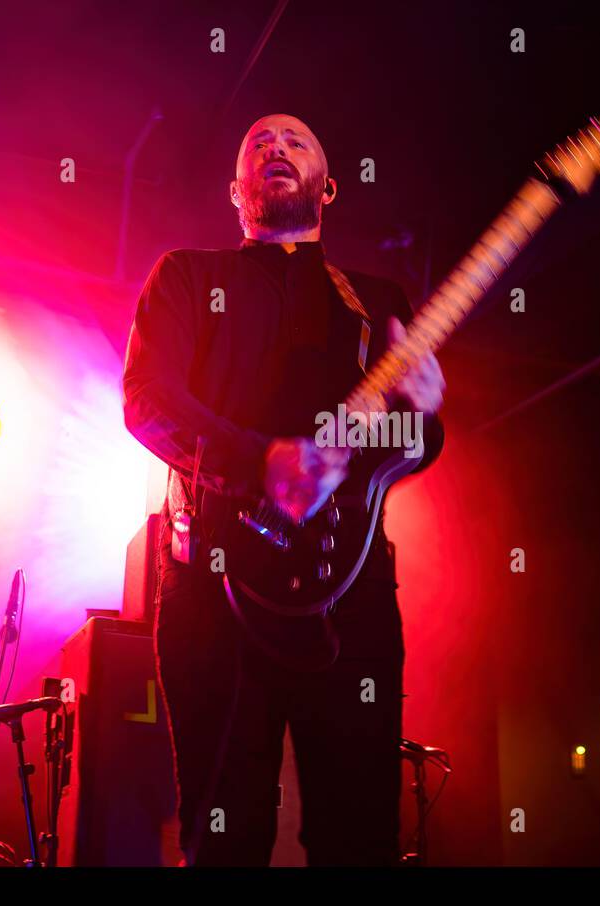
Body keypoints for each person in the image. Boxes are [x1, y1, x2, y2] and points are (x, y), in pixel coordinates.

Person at [122, 113, 444, 866]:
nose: (275, 147)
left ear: (328, 187)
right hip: (214, 586)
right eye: (258, 144)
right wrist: (257, 460)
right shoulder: (186, 276)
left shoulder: (376, 298)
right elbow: (146, 400)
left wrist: (424, 414)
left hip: (352, 596)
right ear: (236, 192)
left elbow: (409, 449)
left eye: (296, 141)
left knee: (359, 832)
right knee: (225, 835)